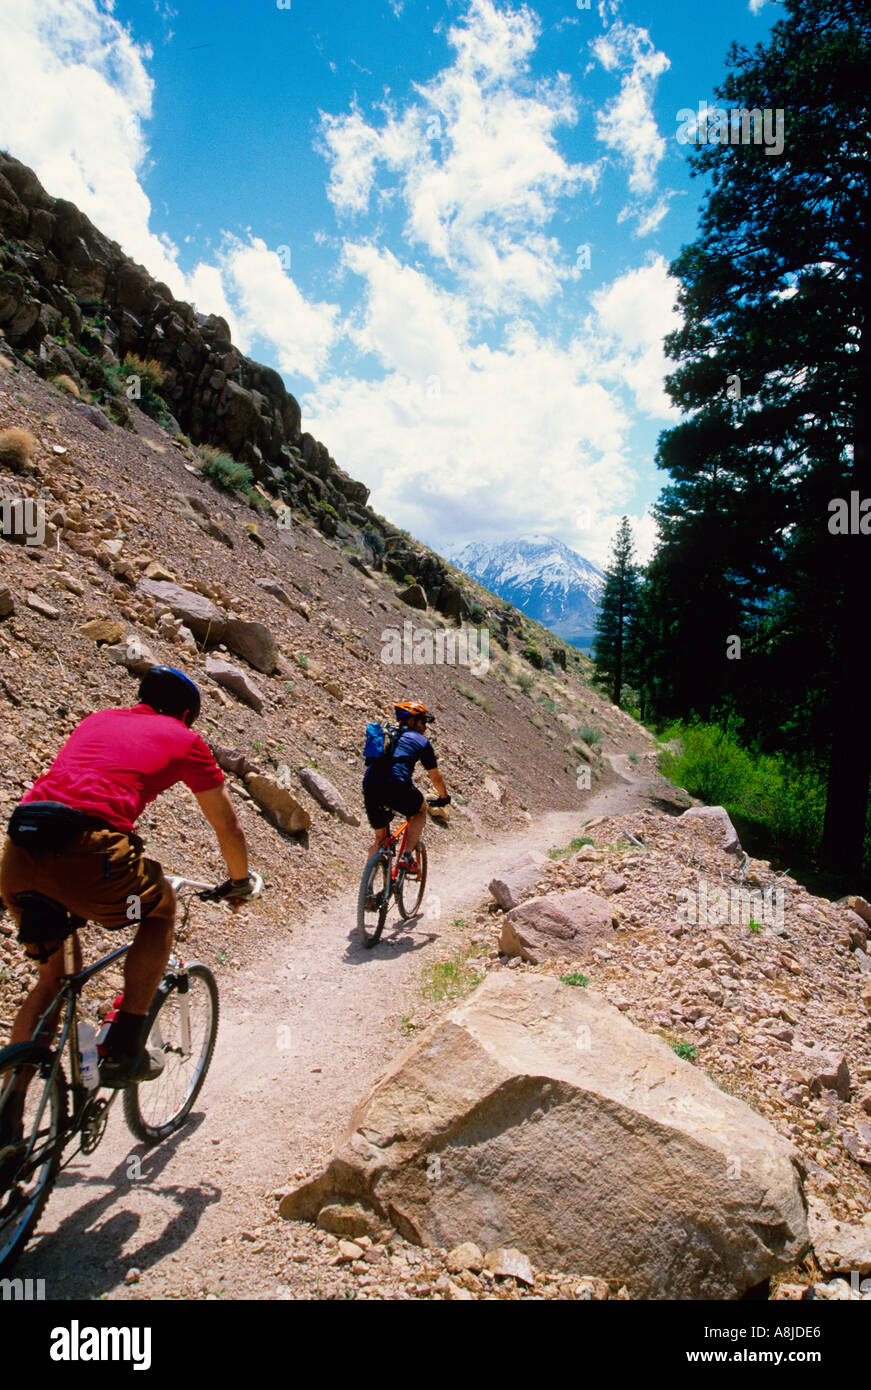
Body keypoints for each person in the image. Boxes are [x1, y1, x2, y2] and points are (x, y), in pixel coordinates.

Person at [0, 667, 255, 1086]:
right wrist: (239, 881)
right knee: (160, 909)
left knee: (53, 984)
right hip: (90, 852)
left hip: (20, 851)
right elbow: (228, 827)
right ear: (187, 713)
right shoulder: (186, 739)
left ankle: (10, 1115)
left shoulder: (98, 719)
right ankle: (125, 1047)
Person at [363, 701, 450, 867]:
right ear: (411, 722)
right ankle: (406, 855)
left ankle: (366, 890)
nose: (425, 727)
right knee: (420, 810)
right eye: (422, 722)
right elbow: (436, 777)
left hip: (370, 785)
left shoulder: (386, 734)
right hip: (397, 785)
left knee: (379, 839)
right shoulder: (421, 741)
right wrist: (444, 797)